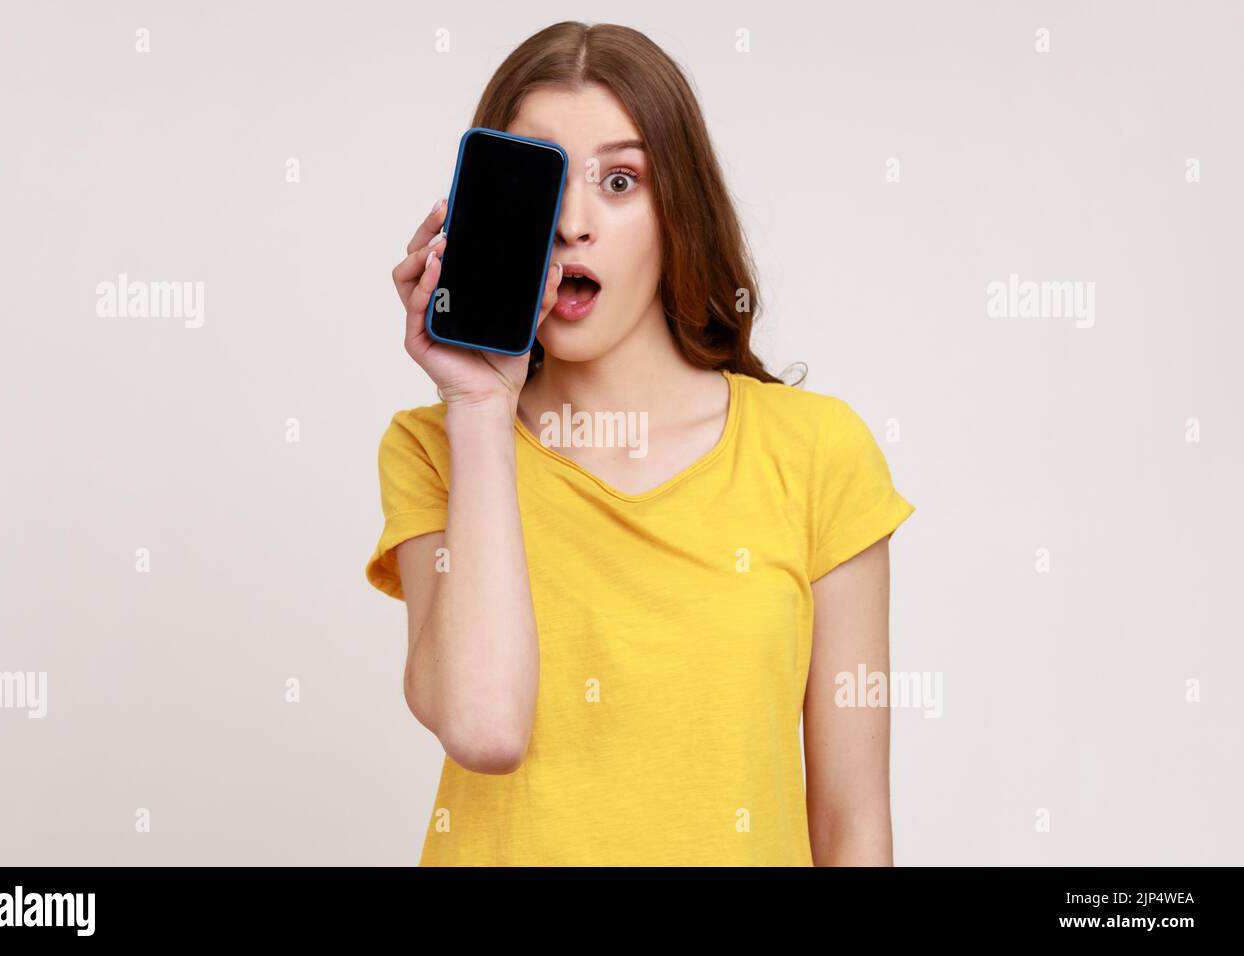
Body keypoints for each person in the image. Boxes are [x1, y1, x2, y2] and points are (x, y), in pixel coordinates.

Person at [367, 21, 915, 866]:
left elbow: (853, 831)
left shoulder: (814, 455)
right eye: (544, 181)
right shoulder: (436, 450)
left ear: (678, 213)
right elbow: (485, 729)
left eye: (620, 181)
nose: (574, 223)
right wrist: (480, 405)